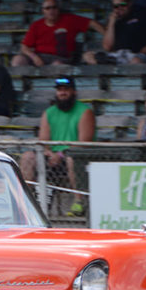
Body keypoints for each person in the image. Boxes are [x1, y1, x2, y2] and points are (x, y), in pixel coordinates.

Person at [20, 77, 95, 216]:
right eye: (59, 90)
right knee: (27, 157)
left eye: (66, 90)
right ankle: (27, 201)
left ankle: (78, 201)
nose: (62, 93)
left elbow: (84, 142)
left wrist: (61, 155)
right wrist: (50, 154)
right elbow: (43, 141)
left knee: (72, 159)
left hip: (76, 156)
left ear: (74, 92)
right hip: (51, 157)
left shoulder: (85, 112)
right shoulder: (49, 113)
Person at [12, 0, 104, 67]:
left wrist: (106, 35)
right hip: (39, 57)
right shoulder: (36, 25)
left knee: (57, 66)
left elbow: (92, 23)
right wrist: (34, 56)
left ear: (58, 9)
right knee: (17, 60)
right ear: (43, 11)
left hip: (60, 58)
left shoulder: (69, 19)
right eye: (47, 8)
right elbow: (24, 47)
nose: (51, 11)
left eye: (54, 7)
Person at [85, 0, 146, 65]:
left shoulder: (140, 12)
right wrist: (112, 22)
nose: (119, 8)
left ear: (129, 4)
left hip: (137, 54)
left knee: (135, 61)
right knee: (88, 56)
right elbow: (107, 47)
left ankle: (114, 66)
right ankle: (111, 63)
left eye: (122, 4)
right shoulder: (114, 20)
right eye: (116, 6)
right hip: (118, 54)